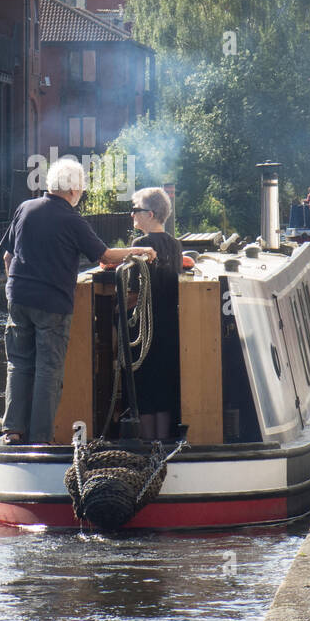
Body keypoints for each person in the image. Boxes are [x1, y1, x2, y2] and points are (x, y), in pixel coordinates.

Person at [0, 158, 156, 445]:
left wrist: (13, 286)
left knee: (19, 364)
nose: (81, 195)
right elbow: (106, 257)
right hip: (52, 303)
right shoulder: (71, 220)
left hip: (18, 298)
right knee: (49, 369)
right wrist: (142, 249)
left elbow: (8, 256)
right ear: (72, 190)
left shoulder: (25, 208)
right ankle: (40, 439)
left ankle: (12, 431)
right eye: (81, 190)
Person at [129, 187, 182, 441]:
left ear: (149, 214)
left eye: (135, 210)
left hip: (146, 328)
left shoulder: (140, 245)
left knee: (145, 383)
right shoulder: (175, 244)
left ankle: (147, 442)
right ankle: (163, 440)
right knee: (165, 381)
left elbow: (133, 291)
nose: (132, 215)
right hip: (170, 324)